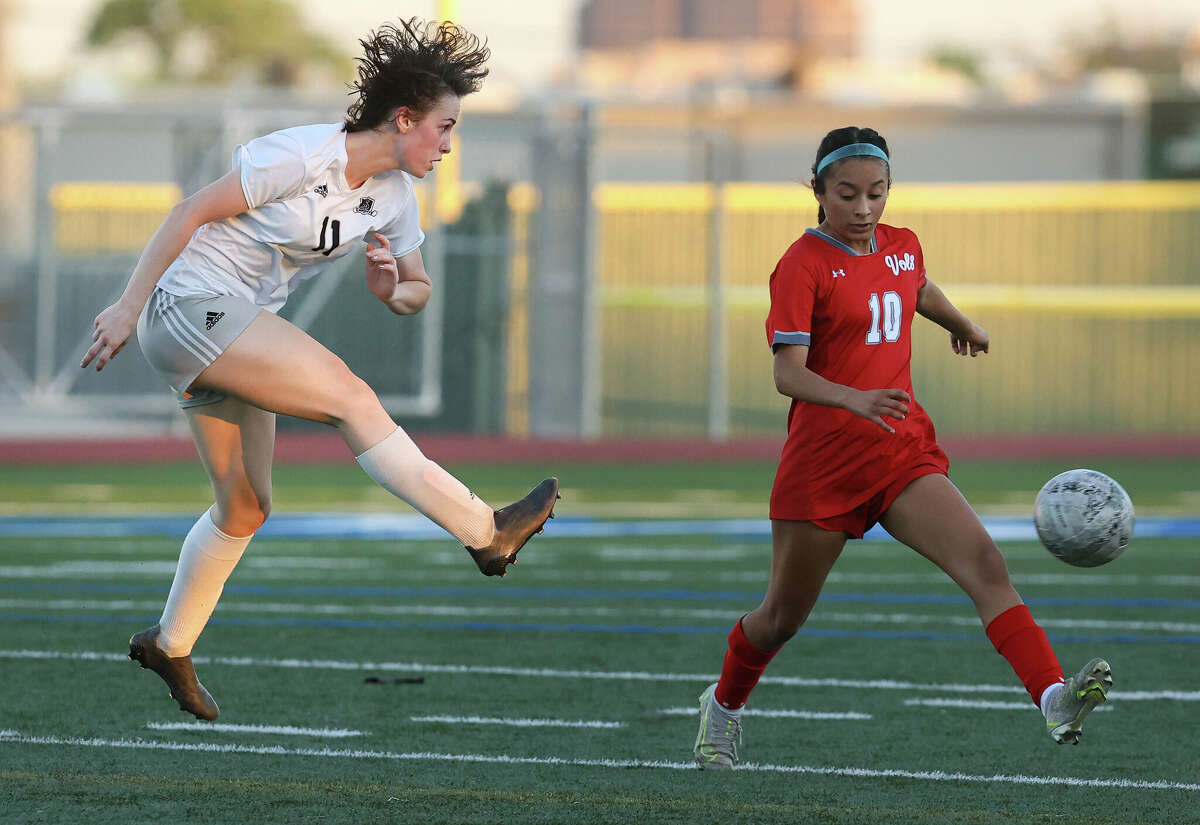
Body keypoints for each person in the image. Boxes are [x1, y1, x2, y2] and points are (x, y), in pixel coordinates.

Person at [80, 18, 559, 722]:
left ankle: (169, 643)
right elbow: (189, 212)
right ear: (403, 118)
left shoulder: (394, 196)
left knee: (245, 507)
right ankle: (487, 532)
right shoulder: (302, 155)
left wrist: (391, 289)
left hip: (224, 332)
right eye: (444, 127)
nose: (450, 145)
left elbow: (417, 290)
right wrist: (128, 305)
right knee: (350, 395)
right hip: (186, 306)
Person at [692, 127, 1110, 770]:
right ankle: (721, 711)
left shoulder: (901, 244)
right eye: (848, 194)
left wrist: (961, 323)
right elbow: (787, 373)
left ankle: (1052, 697)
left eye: (876, 193)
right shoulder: (801, 264)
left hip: (901, 454)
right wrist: (853, 397)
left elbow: (915, 287)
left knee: (987, 566)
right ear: (820, 192)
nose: (863, 208)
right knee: (780, 618)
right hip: (824, 466)